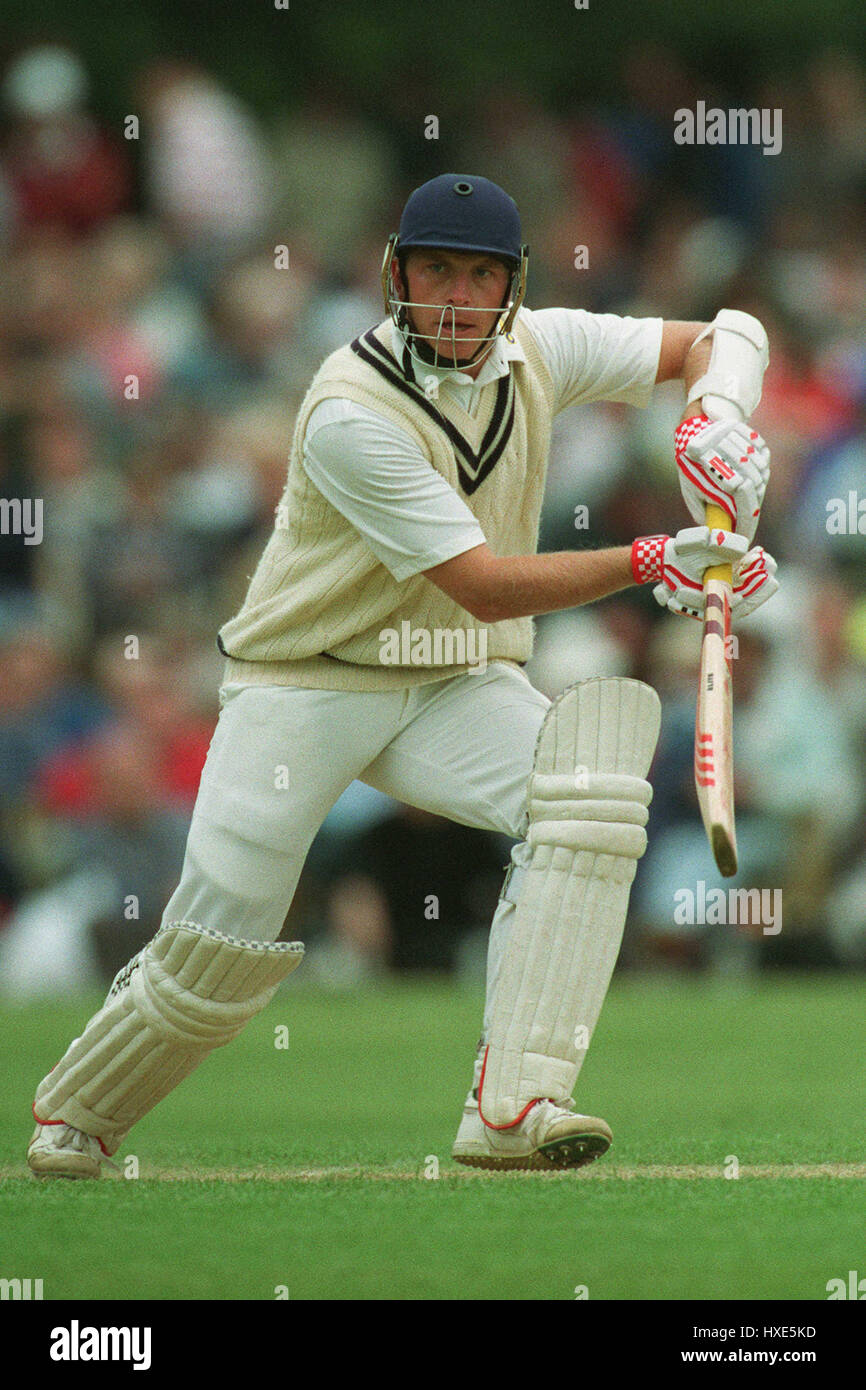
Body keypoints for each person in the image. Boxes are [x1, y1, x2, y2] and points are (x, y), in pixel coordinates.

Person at [28, 174, 778, 1178]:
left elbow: (721, 333)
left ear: (510, 286)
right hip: (306, 682)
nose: (456, 299)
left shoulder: (538, 348)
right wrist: (652, 560)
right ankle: (76, 1111)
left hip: (448, 683)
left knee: (585, 797)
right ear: (395, 274)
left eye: (479, 276)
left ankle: (511, 1103)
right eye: (436, 272)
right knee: (218, 945)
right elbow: (475, 582)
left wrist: (712, 422)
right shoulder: (349, 409)